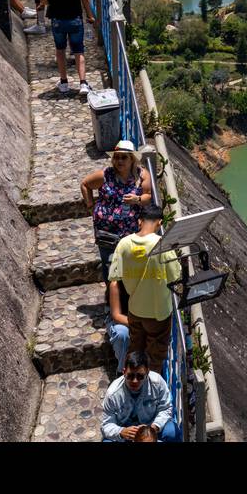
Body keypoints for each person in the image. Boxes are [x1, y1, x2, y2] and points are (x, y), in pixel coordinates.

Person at [82, 140, 153, 371]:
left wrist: (137, 200)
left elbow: (148, 197)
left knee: (127, 269)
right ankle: (113, 300)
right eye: (116, 157)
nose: (119, 160)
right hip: (106, 233)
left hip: (128, 234)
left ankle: (123, 301)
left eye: (123, 157)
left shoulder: (141, 176)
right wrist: (90, 205)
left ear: (132, 158)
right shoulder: (106, 174)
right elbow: (85, 184)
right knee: (109, 266)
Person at [107, 203, 180, 374]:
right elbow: (174, 276)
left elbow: (114, 277)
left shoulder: (124, 244)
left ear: (139, 221)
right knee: (154, 356)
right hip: (158, 313)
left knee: (135, 351)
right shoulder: (163, 244)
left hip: (135, 310)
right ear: (160, 223)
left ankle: (131, 383)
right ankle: (149, 389)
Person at [41, 0, 96, 95]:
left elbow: (44, 1)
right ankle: (83, 83)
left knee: (60, 50)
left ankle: (64, 82)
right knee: (79, 51)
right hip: (75, 19)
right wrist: (90, 16)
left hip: (57, 19)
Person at [100, 351, 177, 442]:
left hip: (151, 429)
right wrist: (121, 432)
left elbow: (166, 408)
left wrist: (154, 427)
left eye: (140, 376)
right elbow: (106, 425)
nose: (135, 381)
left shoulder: (157, 383)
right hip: (125, 435)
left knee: (172, 432)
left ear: (147, 373)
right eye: (130, 376)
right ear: (124, 372)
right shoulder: (112, 394)